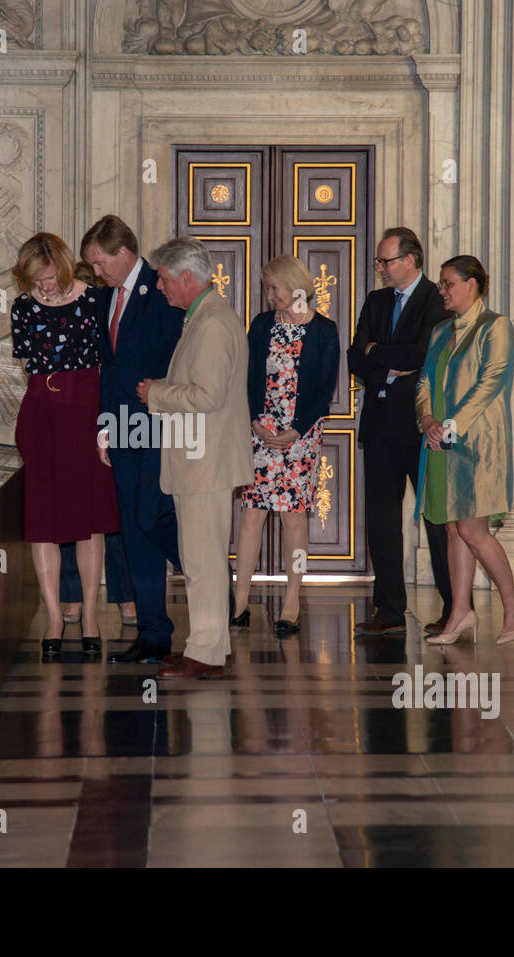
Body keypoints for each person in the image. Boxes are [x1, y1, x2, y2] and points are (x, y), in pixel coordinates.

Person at [134, 237, 251, 679]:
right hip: (199, 459)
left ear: (186, 277)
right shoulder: (202, 317)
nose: (160, 287)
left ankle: (205, 653)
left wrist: (155, 393)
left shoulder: (213, 323)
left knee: (202, 562)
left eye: (164, 278)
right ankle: (206, 646)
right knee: (200, 560)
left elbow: (206, 395)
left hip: (207, 462)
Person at [81, 215, 187, 664]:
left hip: (160, 422)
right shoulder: (105, 297)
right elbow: (108, 368)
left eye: (100, 262)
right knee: (132, 527)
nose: (96, 272)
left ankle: (201, 569)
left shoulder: (161, 290)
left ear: (123, 253)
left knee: (150, 516)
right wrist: (104, 427)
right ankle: (153, 631)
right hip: (122, 427)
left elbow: (179, 359)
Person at [10, 232, 120, 659]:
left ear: (63, 265)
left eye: (50, 276)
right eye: (36, 279)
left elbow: (108, 362)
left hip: (87, 413)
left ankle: (90, 615)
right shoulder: (22, 307)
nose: (44, 285)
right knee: (44, 521)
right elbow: (27, 364)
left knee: (89, 517)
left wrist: (106, 425)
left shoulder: (93, 300)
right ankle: (55, 616)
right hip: (42, 414)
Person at [346, 226, 454, 637]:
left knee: (436, 519)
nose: (379, 268)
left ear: (410, 260)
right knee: (380, 519)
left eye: (385, 261)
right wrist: (379, 357)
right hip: (378, 423)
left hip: (419, 424)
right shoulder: (375, 301)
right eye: (378, 261)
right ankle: (389, 609)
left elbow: (423, 354)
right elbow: (356, 355)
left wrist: (379, 353)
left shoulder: (434, 300)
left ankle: (452, 606)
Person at [414, 255, 514, 644]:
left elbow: (491, 380)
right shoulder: (440, 331)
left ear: (472, 285)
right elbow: (425, 384)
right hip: (440, 442)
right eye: (441, 284)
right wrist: (428, 421)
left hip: (478, 444)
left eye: (448, 283)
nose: (441, 290)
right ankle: (460, 612)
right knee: (451, 528)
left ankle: (513, 605)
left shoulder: (496, 327)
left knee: (472, 529)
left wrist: (452, 425)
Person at [232, 255, 340, 634]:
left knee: (294, 519)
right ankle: (240, 599)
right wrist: (254, 421)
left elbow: (325, 387)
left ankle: (292, 601)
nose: (269, 294)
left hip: (300, 438)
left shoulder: (325, 330)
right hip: (260, 433)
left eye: (274, 287)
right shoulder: (262, 325)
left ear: (295, 287)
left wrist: (295, 429)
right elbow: (246, 377)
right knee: (252, 515)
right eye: (267, 287)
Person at [58, 259, 138, 627]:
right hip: (72, 420)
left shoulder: (111, 316)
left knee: (115, 514)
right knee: (70, 511)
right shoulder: (60, 321)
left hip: (109, 418)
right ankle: (71, 596)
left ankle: (126, 595)